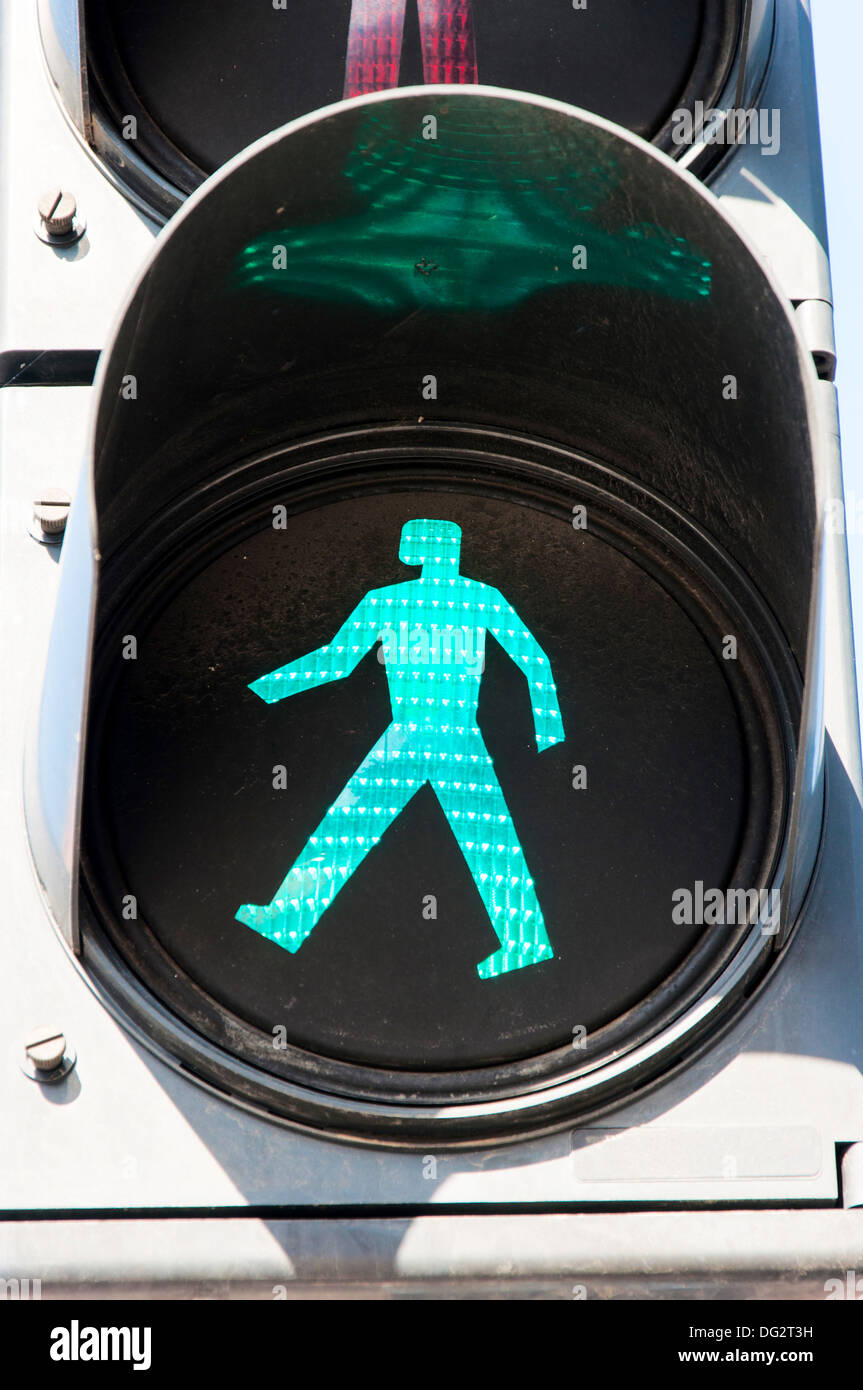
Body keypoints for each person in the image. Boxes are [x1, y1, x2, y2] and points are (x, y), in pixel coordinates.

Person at [236, 518, 564, 978]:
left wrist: (264, 690)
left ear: (419, 548)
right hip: (444, 737)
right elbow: (536, 662)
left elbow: (334, 662)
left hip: (422, 736)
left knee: (348, 830)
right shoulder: (473, 598)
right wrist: (550, 736)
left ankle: (287, 921)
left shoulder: (393, 600)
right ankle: (525, 940)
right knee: (486, 843)